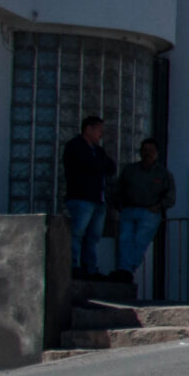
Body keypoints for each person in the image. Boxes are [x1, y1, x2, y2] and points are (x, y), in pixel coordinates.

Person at [110, 138, 175, 286]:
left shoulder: (163, 173)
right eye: (144, 150)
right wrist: (120, 206)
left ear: (157, 153)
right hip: (129, 210)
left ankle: (126, 271)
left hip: (149, 213)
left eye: (151, 151)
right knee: (124, 241)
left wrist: (158, 207)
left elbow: (170, 197)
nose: (147, 154)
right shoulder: (130, 170)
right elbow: (118, 190)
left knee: (139, 242)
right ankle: (123, 271)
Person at [61, 116, 116, 279]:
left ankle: (90, 267)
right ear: (88, 129)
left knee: (93, 236)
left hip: (98, 199)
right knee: (77, 233)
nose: (101, 135)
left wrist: (99, 165)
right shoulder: (74, 146)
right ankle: (74, 265)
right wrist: (98, 166)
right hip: (81, 197)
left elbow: (110, 168)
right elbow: (87, 166)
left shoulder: (98, 151)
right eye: (99, 130)